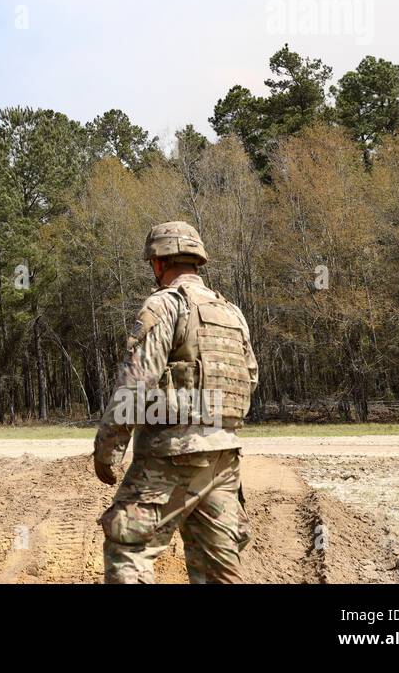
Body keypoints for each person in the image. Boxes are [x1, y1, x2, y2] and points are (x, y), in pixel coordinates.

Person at [92, 221, 258, 582]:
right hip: (223, 458)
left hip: (173, 453)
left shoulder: (165, 305)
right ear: (196, 262)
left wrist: (108, 448)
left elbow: (135, 383)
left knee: (129, 546)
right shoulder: (231, 313)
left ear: (157, 263)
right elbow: (250, 378)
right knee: (218, 565)